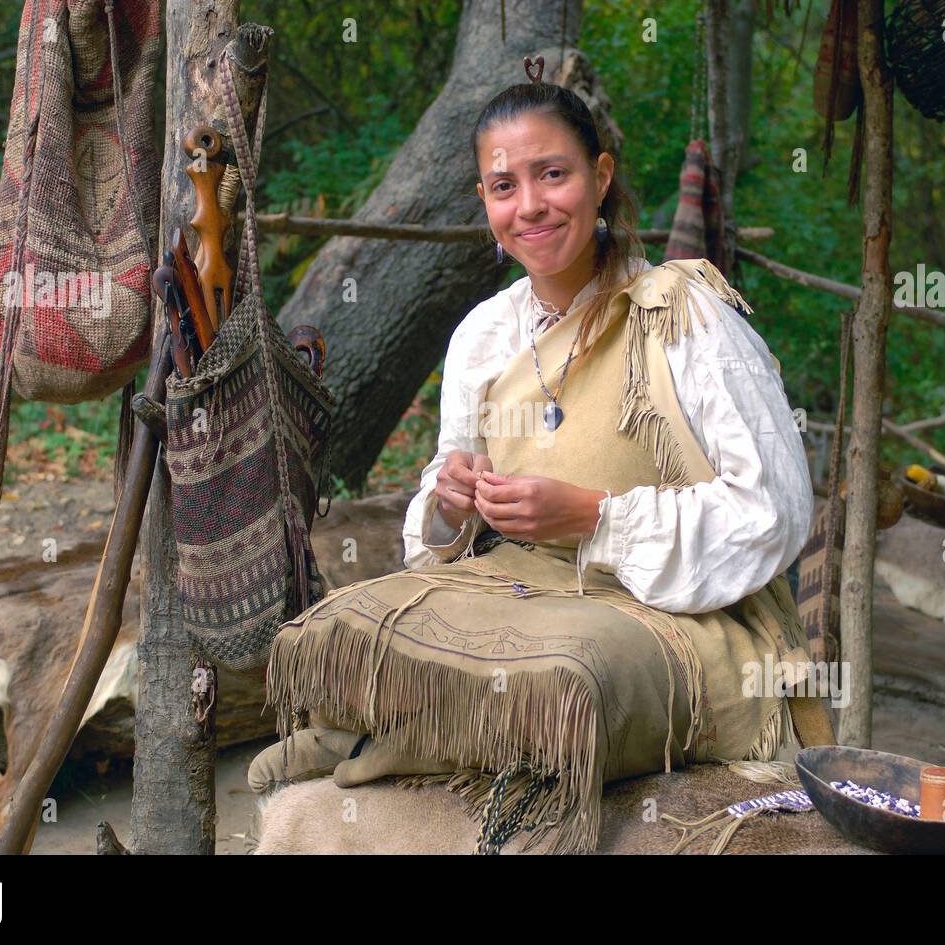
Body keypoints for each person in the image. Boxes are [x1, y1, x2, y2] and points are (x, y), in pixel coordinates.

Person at [248, 70, 826, 855]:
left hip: (667, 610)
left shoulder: (683, 314)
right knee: (338, 631)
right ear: (485, 202)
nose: (530, 205)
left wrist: (595, 518)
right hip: (517, 588)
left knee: (559, 687)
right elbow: (443, 522)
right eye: (502, 184)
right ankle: (377, 735)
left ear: (602, 177)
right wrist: (452, 500)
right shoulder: (485, 335)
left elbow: (775, 514)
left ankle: (364, 745)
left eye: (553, 173)